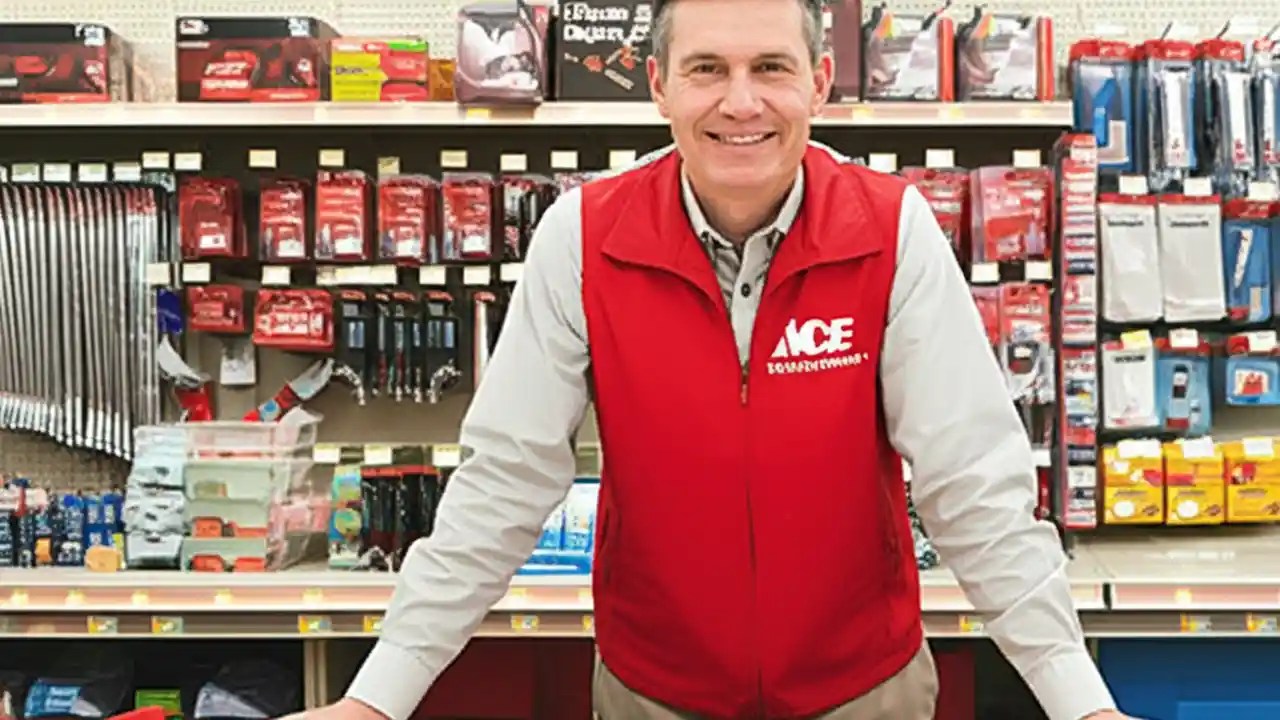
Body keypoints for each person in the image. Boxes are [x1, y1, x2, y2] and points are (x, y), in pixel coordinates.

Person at [297, 0, 1135, 718]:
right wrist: (378, 696)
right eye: (707, 69)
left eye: (770, 66)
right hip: (652, 694)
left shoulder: (892, 233)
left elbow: (974, 486)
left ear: (819, 80)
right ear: (659, 85)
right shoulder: (584, 241)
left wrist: (1080, 700)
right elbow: (503, 482)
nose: (741, 103)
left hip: (862, 692)